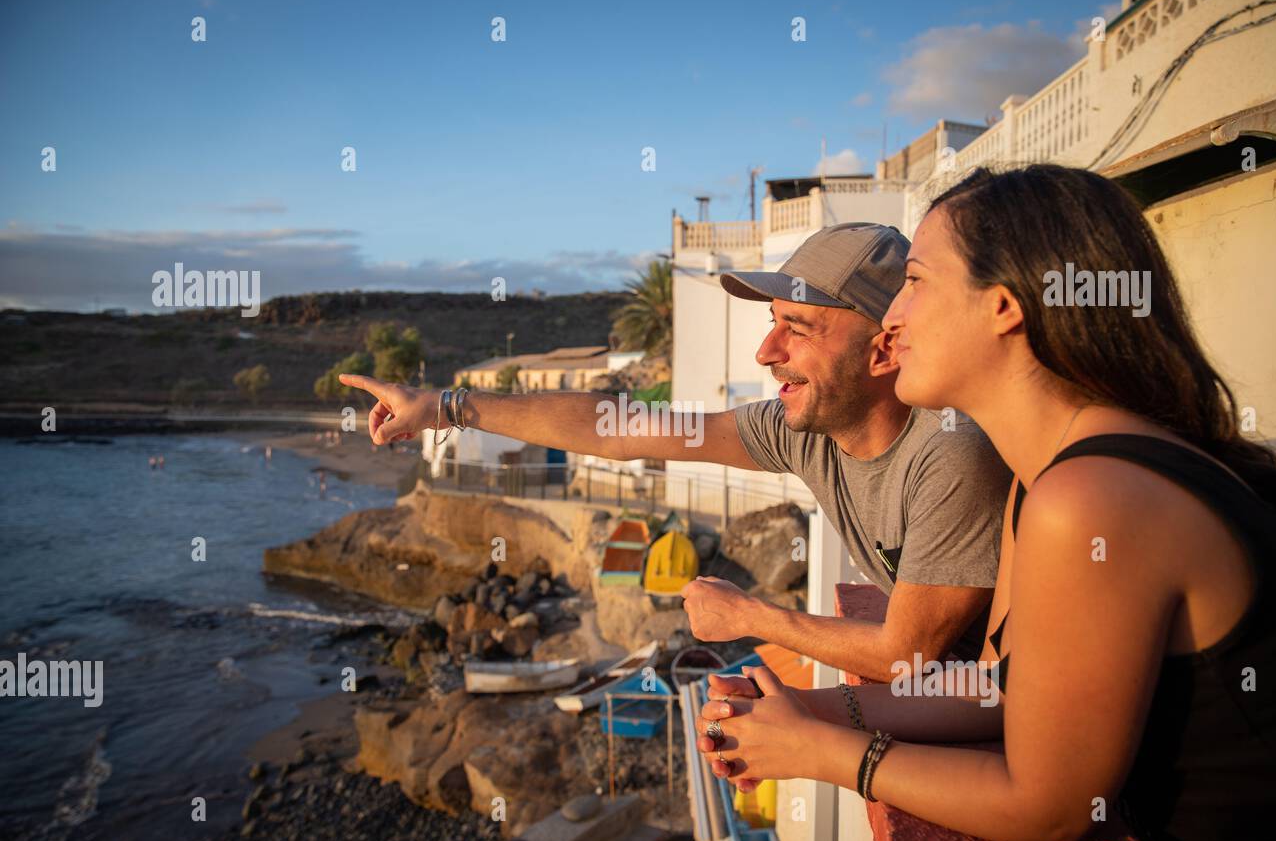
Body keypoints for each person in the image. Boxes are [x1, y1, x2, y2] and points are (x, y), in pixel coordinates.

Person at [695, 165, 1276, 841]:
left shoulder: (1091, 499)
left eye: (916, 283)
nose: (891, 319)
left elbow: (1051, 811)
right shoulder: (1048, 477)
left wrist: (821, 752)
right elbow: (996, 688)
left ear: (1003, 306)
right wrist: (806, 708)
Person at [339, 222, 1011, 684]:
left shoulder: (949, 452)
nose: (766, 352)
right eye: (771, 323)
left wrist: (750, 617)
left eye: (796, 328)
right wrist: (447, 408)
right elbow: (620, 427)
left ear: (884, 348)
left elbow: (906, 652)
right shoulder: (804, 429)